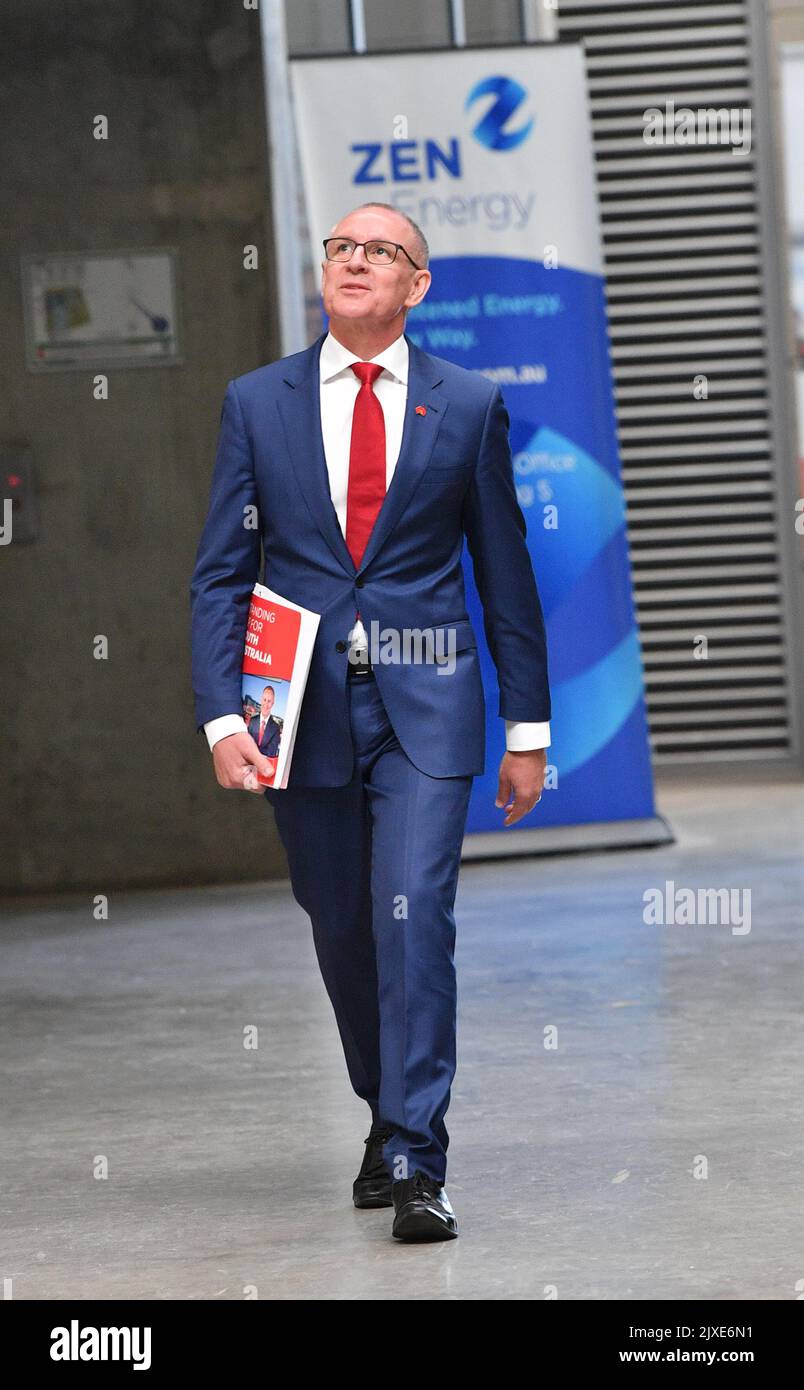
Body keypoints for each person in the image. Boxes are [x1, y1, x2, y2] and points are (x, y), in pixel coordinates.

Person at [190, 201, 551, 1243]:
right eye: (340, 247)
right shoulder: (256, 403)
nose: (354, 260)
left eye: (379, 250)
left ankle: (416, 1153)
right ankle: (382, 1109)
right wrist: (221, 715)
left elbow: (506, 578)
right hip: (295, 711)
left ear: (417, 285)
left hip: (426, 703)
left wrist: (527, 731)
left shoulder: (468, 405)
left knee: (414, 913)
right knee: (343, 921)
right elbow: (221, 573)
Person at [247, 685, 282, 759]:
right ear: (261, 700)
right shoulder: (252, 721)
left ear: (273, 703)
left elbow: (271, 752)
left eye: (269, 701)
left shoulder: (276, 728)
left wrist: (253, 751)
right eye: (264, 700)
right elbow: (246, 744)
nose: (266, 704)